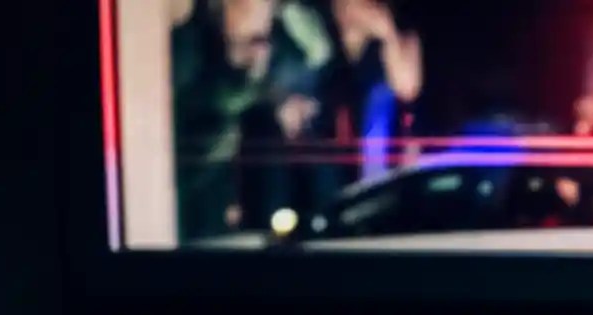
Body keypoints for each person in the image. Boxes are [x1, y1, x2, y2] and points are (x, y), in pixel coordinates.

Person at [170, 0, 330, 243]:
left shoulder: (267, 56)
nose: (259, 25)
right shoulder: (191, 52)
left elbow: (319, 51)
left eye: (265, 15)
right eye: (247, 10)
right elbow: (216, 102)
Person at [322, 0, 423, 183]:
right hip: (360, 112)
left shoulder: (403, 29)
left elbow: (408, 87)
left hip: (395, 116)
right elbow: (357, 17)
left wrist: (391, 37)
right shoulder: (350, 10)